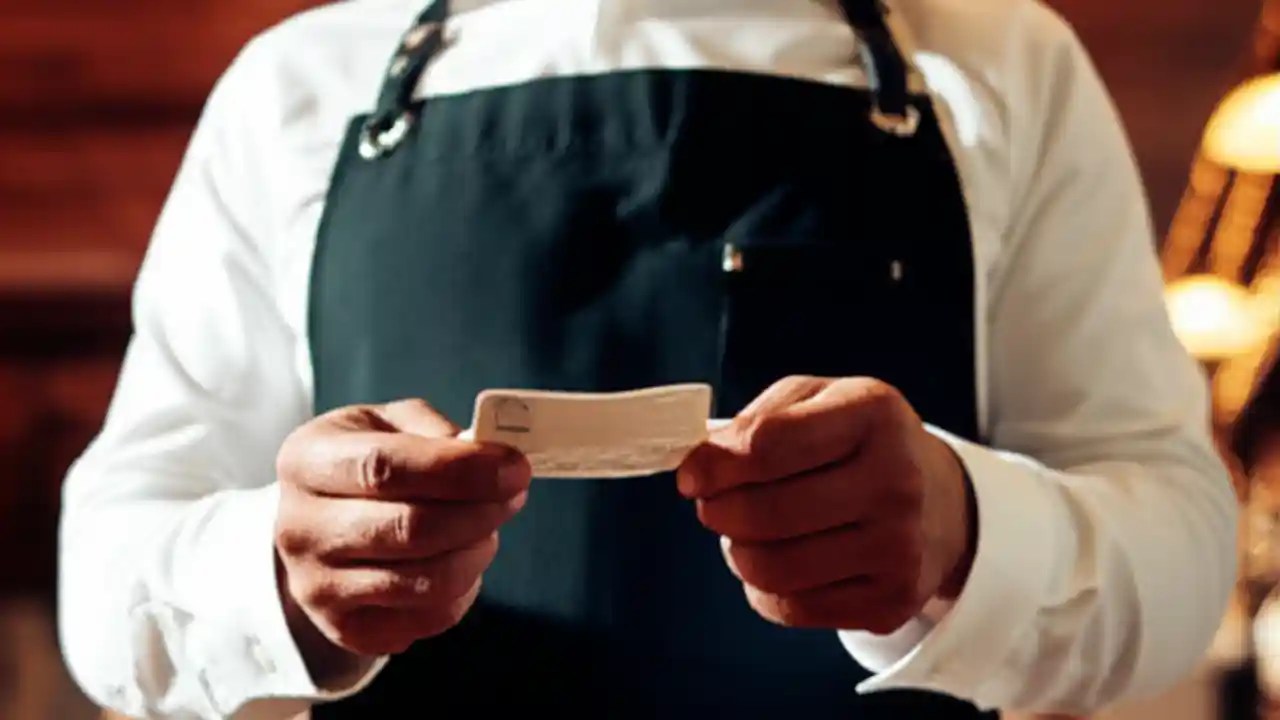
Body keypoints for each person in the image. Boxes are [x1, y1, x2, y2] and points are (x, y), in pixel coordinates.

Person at [57, 0, 1238, 718]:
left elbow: (1180, 548)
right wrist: (282, 566)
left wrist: (962, 530)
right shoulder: (296, 88)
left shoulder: (1002, 64)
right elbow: (106, 583)